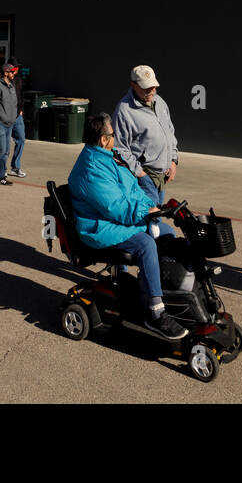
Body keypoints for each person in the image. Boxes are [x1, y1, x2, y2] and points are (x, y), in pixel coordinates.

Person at [68, 112, 187, 341]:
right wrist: (145, 214)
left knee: (167, 233)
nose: (115, 138)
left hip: (114, 221)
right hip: (99, 228)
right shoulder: (92, 169)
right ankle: (156, 312)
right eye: (112, 134)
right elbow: (116, 207)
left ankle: (159, 290)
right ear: (103, 139)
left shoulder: (106, 156)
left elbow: (132, 189)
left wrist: (151, 209)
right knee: (145, 244)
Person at [112, 65, 179, 205]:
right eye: (146, 87)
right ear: (133, 85)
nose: (151, 91)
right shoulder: (124, 111)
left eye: (153, 86)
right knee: (147, 221)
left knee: (156, 217)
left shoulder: (159, 102)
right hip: (144, 178)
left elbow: (170, 132)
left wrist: (173, 160)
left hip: (162, 176)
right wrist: (141, 175)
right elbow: (119, 148)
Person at [0, 63, 19, 185]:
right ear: (6, 73)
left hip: (10, 123)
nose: (14, 74)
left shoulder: (11, 86)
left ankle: (0, 176)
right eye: (12, 72)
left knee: (6, 151)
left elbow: (13, 103)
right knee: (0, 149)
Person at [5, 59, 28, 178]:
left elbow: (21, 95)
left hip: (18, 115)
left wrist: (21, 108)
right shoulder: (2, 81)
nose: (17, 69)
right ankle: (1, 168)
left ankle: (15, 167)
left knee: (21, 139)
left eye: (17, 67)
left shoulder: (18, 79)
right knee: (5, 145)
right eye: (15, 67)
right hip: (6, 116)